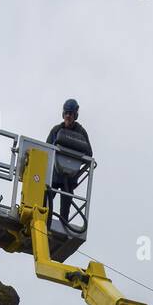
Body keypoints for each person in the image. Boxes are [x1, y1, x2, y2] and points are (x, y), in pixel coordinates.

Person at [46, 98, 92, 231]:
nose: (68, 116)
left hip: (70, 177)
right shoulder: (56, 130)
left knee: (65, 205)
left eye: (71, 113)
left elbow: (89, 153)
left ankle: (63, 225)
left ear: (75, 115)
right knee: (46, 199)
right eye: (66, 113)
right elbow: (46, 149)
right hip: (54, 175)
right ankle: (44, 220)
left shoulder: (81, 132)